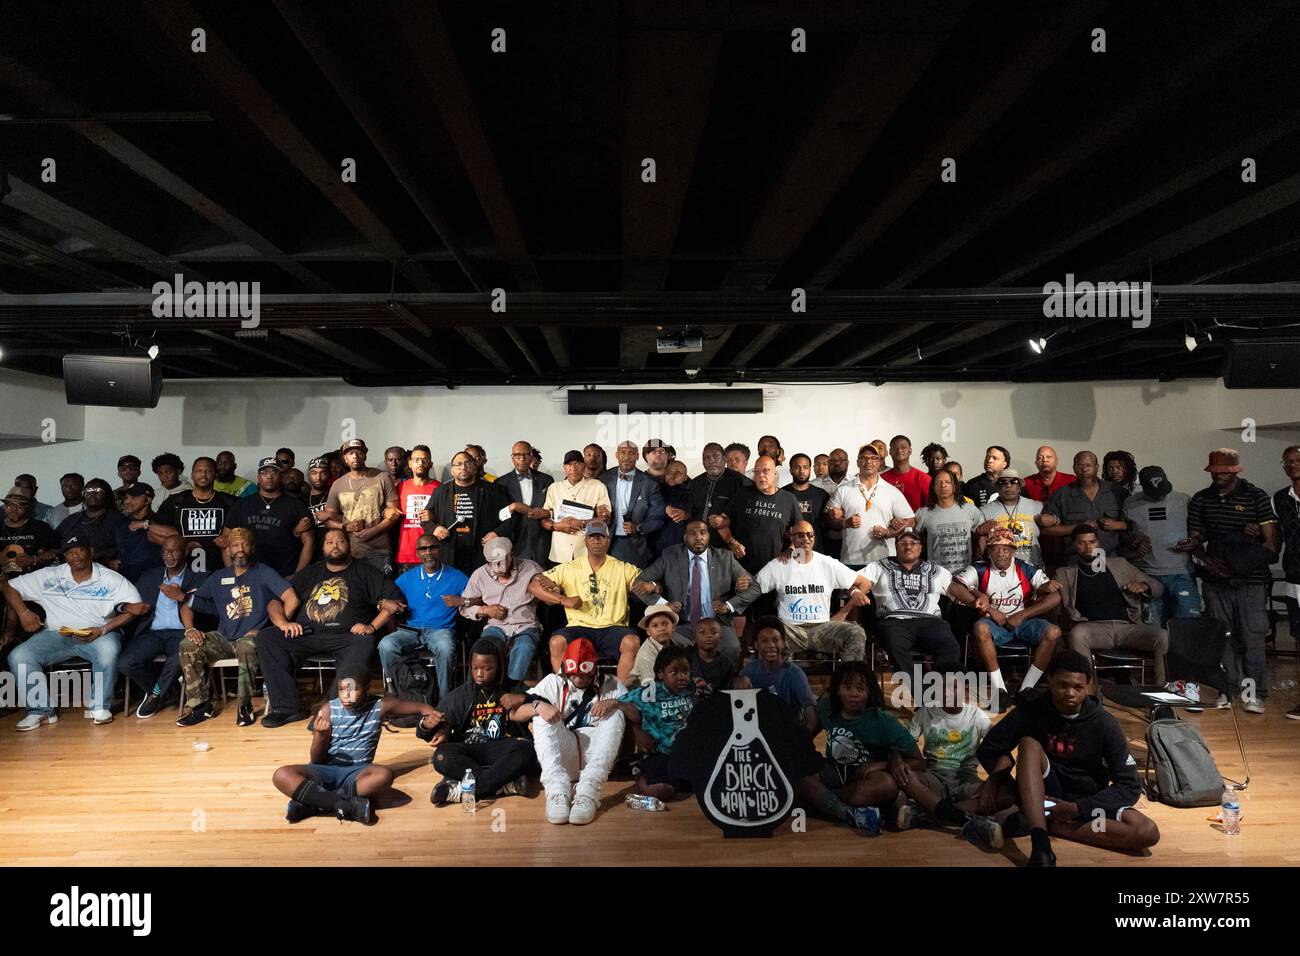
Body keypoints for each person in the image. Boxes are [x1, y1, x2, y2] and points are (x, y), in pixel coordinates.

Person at [977, 651, 1159, 867]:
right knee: (1029, 743)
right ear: (1050, 680)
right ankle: (1041, 844)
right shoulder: (1032, 710)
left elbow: (1129, 786)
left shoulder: (1104, 723)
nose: (1070, 693)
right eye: (1063, 685)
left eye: (1078, 687)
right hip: (1044, 794)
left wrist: (1077, 808)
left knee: (1146, 831)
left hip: (1087, 804)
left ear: (1089, 686)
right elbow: (989, 749)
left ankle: (1050, 824)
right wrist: (1000, 782)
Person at [256, 528, 401, 728]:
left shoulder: (366, 572)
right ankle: (288, 708)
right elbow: (274, 603)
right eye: (329, 542)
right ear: (322, 547)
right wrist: (283, 623)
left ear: (348, 545)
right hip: (307, 633)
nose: (335, 546)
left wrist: (371, 626)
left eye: (340, 541)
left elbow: (395, 603)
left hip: (347, 636)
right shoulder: (309, 573)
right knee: (267, 638)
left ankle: (332, 710)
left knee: (364, 641)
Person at [3, 535, 145, 729]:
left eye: (80, 550)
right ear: (64, 556)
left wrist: (103, 629)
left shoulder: (111, 578)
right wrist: (23, 612)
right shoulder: (50, 575)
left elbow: (134, 609)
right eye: (69, 552)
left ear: (91, 552)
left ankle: (99, 707)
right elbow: (9, 586)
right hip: (58, 634)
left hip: (98, 634)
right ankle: (41, 711)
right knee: (19, 656)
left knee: (107, 652)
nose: (75, 556)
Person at [275, 663, 442, 824]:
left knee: (384, 775)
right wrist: (321, 736)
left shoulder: (380, 706)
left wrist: (436, 722)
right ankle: (344, 805)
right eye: (341, 689)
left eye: (353, 689)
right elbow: (316, 760)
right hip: (325, 771)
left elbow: (423, 708)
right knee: (281, 774)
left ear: (367, 688)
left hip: (357, 773)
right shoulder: (329, 710)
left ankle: (314, 803)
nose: (345, 695)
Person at [1182, 448, 1280, 714]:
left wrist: (1236, 564)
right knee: (1222, 638)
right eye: (1215, 471)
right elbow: (1195, 539)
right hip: (1215, 580)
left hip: (1250, 580)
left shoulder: (1256, 497)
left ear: (1236, 471)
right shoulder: (1201, 499)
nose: (1219, 475)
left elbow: (1271, 545)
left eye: (1225, 471)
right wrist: (1206, 559)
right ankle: (1227, 689)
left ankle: (1254, 693)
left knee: (1253, 637)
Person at [177, 527, 297, 727]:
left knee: (245, 646)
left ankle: (245, 707)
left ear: (251, 548)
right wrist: (190, 629)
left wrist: (272, 630)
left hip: (253, 637)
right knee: (187, 645)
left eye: (244, 544)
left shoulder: (263, 572)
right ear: (228, 551)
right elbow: (188, 604)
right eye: (235, 545)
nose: (240, 548)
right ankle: (200, 707)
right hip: (224, 638)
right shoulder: (218, 577)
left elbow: (291, 598)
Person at [860, 530, 989, 698]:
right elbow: (860, 580)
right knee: (896, 647)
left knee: (950, 647)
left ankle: (934, 691)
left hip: (930, 621)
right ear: (896, 547)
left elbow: (954, 588)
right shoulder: (878, 566)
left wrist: (973, 601)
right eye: (903, 543)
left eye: (913, 543)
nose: (908, 546)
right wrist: (858, 591)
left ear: (921, 548)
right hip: (894, 621)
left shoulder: (935, 570)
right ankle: (924, 697)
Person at [511, 637, 625, 825]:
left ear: (594, 670)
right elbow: (515, 714)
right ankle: (557, 792)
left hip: (597, 755)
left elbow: (637, 713)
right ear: (565, 670)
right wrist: (538, 706)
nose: (579, 679)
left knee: (617, 712)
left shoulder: (611, 683)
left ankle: (588, 794)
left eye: (584, 674)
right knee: (541, 714)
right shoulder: (552, 682)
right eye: (574, 674)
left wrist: (615, 702)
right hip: (565, 753)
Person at [801, 660, 922, 835]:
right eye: (847, 687)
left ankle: (823, 801)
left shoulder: (884, 722)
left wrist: (882, 765)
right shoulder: (826, 707)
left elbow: (919, 761)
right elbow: (808, 734)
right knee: (801, 775)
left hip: (867, 778)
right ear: (837, 689)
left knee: (887, 784)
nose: (853, 694)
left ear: (869, 692)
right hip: (834, 770)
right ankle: (849, 812)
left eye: (860, 689)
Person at [729, 521, 870, 662]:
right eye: (801, 535)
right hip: (790, 629)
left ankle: (847, 678)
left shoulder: (827, 563)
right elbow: (754, 588)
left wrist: (843, 612)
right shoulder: (779, 564)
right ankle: (778, 679)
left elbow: (865, 582)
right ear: (792, 538)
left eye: (810, 535)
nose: (806, 539)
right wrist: (737, 590)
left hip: (822, 628)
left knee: (856, 632)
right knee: (769, 631)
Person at [417, 638, 534, 804]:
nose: (479, 674)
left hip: (501, 748)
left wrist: (524, 698)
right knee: (442, 756)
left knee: (526, 750)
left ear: (499, 666)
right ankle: (504, 785)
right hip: (470, 750)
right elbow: (428, 730)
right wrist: (427, 725)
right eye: (475, 668)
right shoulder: (460, 695)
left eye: (487, 668)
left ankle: (464, 791)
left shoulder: (514, 688)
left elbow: (545, 704)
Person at [1047, 526, 1168, 686]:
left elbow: (1158, 587)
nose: (1088, 547)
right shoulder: (1065, 573)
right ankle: (1087, 692)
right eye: (1082, 543)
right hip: (1094, 629)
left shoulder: (1120, 564)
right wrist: (1045, 586)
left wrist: (1144, 585)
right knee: (1077, 634)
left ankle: (1163, 693)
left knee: (1162, 635)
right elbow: (1050, 596)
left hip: (1128, 627)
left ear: (1099, 543)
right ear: (1075, 545)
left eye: (1092, 542)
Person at [895, 671, 1002, 849]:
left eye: (953, 687)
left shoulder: (977, 716)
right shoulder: (925, 712)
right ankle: (970, 818)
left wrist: (993, 783)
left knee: (1005, 794)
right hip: (934, 777)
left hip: (966, 780)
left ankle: (928, 814)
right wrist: (899, 762)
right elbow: (902, 743)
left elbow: (999, 749)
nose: (946, 692)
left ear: (965, 689)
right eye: (941, 687)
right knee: (907, 777)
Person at [959, 528, 1061, 710]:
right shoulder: (979, 568)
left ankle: (1026, 689)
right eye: (995, 549)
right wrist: (982, 599)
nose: (1000, 553)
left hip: (1023, 622)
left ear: (1013, 551)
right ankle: (1001, 692)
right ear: (989, 551)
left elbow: (1055, 597)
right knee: (980, 628)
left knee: (1053, 632)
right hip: (994, 623)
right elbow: (955, 586)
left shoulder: (1025, 568)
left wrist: (1022, 614)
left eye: (1005, 549)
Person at [530, 522, 642, 687]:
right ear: (586, 540)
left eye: (601, 537)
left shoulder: (623, 568)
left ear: (608, 540)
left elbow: (644, 585)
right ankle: (565, 691)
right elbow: (533, 585)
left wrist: (654, 587)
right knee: (556, 642)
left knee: (632, 641)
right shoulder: (569, 567)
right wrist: (562, 599)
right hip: (579, 627)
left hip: (613, 627)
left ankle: (621, 693)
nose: (596, 541)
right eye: (592, 537)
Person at [631, 518, 750, 664]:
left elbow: (753, 586)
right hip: (681, 625)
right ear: (685, 537)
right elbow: (638, 584)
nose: (698, 537)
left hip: (716, 624)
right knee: (665, 648)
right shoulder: (670, 555)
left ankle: (723, 685)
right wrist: (665, 605)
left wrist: (730, 604)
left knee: (732, 647)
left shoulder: (725, 557)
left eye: (702, 532)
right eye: (693, 533)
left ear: (708, 536)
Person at [118, 534, 207, 719]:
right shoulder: (150, 576)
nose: (169, 555)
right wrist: (125, 607)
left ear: (185, 553)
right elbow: (125, 599)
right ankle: (164, 692)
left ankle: (156, 695)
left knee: (178, 659)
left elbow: (207, 606)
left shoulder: (199, 577)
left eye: (174, 551)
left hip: (182, 633)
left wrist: (181, 595)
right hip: (153, 633)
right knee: (125, 663)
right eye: (166, 551)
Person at [378, 534, 470, 701]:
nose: (428, 552)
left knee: (445, 647)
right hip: (410, 630)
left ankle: (444, 699)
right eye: (423, 549)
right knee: (386, 644)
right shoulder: (407, 578)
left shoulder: (456, 576)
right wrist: (388, 605)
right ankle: (395, 694)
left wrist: (463, 600)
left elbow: (479, 596)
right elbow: (388, 599)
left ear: (439, 550)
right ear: (417, 553)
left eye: (432, 547)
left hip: (440, 630)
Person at [459, 537, 544, 688]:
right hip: (496, 626)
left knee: (524, 647)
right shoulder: (480, 575)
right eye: (493, 563)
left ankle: (510, 689)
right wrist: (485, 610)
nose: (498, 567)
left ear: (511, 554)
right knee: (484, 647)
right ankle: (476, 691)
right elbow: (464, 606)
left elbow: (549, 593)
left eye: (502, 561)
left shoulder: (531, 568)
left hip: (525, 625)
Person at [617, 644, 697, 802]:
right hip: (660, 753)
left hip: (688, 754)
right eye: (674, 672)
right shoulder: (650, 692)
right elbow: (621, 704)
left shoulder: (693, 688)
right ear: (661, 674)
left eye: (685, 671)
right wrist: (636, 729)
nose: (681, 677)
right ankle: (639, 774)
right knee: (662, 792)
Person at [1123, 465, 1199, 626]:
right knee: (1152, 629)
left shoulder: (1184, 500)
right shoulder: (1130, 504)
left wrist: (1193, 541)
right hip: (1147, 575)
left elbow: (1198, 530)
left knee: (1188, 628)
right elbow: (1123, 534)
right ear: (1142, 486)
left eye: (1162, 490)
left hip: (1181, 573)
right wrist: (1135, 542)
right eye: (1154, 492)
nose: (1159, 496)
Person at [424, 450, 513, 576]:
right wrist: (434, 528)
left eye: (467, 463)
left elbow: (512, 518)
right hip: (450, 554)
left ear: (475, 468)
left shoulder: (494, 491)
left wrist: (497, 532)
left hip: (483, 554)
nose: (463, 467)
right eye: (458, 464)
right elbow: (426, 518)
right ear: (452, 471)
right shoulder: (440, 492)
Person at [222, 458, 314, 577]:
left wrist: (297, 575)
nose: (269, 477)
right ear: (258, 477)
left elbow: (309, 543)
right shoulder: (242, 505)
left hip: (284, 575)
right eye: (264, 473)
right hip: (247, 574)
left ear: (281, 477)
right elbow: (225, 542)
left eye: (274, 472)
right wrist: (232, 574)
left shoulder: (295, 505)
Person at [319, 439, 400, 576]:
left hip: (379, 550)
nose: (355, 456)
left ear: (365, 455)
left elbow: (394, 513)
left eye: (358, 452)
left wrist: (373, 531)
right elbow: (327, 519)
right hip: (349, 551)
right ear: (345, 458)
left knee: (382, 593)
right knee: (354, 594)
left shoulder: (382, 477)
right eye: (351, 453)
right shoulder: (338, 484)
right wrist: (346, 527)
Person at [826, 445, 913, 568]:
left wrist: (888, 532)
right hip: (851, 560)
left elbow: (911, 521)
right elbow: (829, 520)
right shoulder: (843, 490)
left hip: (885, 560)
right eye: (864, 458)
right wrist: (845, 523)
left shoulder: (891, 491)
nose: (869, 462)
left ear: (879, 462)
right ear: (857, 462)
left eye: (873, 458)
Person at [717, 455, 800, 581]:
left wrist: (791, 550)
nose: (761, 475)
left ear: (775, 473)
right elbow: (721, 524)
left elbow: (802, 531)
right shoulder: (742, 494)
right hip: (742, 570)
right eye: (757, 471)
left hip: (775, 570)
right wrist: (732, 542)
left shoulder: (789, 499)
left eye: (766, 470)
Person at [149, 458, 236, 571]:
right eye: (198, 471)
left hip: (219, 569)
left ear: (215, 475)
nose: (203, 475)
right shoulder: (176, 501)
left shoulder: (229, 502)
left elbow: (245, 534)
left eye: (208, 471)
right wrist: (180, 546)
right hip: (183, 571)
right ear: (192, 475)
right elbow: (151, 534)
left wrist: (230, 537)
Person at [1042, 450, 1128, 557]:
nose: (1085, 469)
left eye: (1089, 465)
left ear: (1097, 467)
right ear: (1074, 468)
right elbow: (1046, 530)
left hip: (1112, 559)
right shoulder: (1062, 495)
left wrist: (1118, 525)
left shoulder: (1117, 492)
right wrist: (1078, 527)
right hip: (1076, 561)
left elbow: (1135, 524)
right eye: (1080, 465)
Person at [742, 618, 817, 732]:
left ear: (783, 643)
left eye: (775, 640)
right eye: (764, 641)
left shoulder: (794, 673)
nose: (771, 645)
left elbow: (809, 708)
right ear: (756, 645)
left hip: (788, 730)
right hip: (758, 730)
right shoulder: (749, 671)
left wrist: (804, 738)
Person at [600, 440, 666, 565]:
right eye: (622, 453)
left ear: (637, 456)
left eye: (631, 453)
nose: (626, 457)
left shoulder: (650, 484)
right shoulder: (604, 478)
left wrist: (639, 528)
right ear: (616, 455)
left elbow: (658, 517)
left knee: (634, 583)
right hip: (607, 543)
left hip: (636, 545)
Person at [540, 450, 611, 564]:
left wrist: (582, 523)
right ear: (564, 467)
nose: (573, 467)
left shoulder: (597, 486)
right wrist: (557, 526)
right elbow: (544, 519)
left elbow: (605, 519)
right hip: (559, 552)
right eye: (569, 464)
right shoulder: (554, 488)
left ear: (584, 466)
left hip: (586, 552)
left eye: (577, 463)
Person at [912, 469, 981, 574]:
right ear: (933, 488)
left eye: (947, 482)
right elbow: (910, 537)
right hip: (936, 575)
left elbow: (982, 532)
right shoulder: (923, 513)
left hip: (966, 575)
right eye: (939, 482)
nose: (943, 485)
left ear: (955, 486)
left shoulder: (971, 510)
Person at [496, 440, 552, 566]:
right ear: (512, 458)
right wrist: (513, 507)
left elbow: (555, 509)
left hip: (541, 542)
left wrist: (545, 513)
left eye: (526, 455)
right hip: (514, 542)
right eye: (517, 455)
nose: (522, 458)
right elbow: (497, 516)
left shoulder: (546, 480)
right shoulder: (501, 483)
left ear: (531, 457)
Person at [975, 468, 1044, 567]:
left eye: (1013, 481)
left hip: (1033, 569)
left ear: (1019, 487)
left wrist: (1055, 520)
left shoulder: (1037, 506)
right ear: (997, 488)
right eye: (1003, 482)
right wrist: (979, 531)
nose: (1008, 485)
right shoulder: (985, 511)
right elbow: (979, 540)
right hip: (999, 572)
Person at [1276, 447, 1300, 719]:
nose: (1293, 465)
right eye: (1288, 462)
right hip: (1295, 580)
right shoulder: (1280, 499)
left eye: (1298, 460)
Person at [688, 442, 749, 550]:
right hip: (699, 545)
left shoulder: (740, 482)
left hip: (729, 547)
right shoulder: (695, 483)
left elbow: (746, 515)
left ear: (725, 459)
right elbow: (690, 512)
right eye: (707, 458)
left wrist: (726, 522)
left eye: (716, 456)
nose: (711, 460)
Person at [54, 479, 128, 564]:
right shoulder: (72, 519)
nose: (93, 494)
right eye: (89, 491)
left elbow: (124, 547)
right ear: (83, 495)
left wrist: (102, 556)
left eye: (98, 491)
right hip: (68, 568)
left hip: (103, 568)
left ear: (106, 495)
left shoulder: (117, 520)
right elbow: (54, 540)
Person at [393, 444, 441, 571]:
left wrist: (434, 517)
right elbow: (390, 513)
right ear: (410, 464)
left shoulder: (441, 489)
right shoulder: (400, 487)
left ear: (430, 464)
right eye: (416, 460)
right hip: (406, 555)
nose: (420, 463)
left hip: (432, 554)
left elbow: (448, 517)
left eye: (425, 460)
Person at [0, 485, 58, 573]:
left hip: (32, 581)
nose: (14, 509)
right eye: (10, 505)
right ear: (4, 506)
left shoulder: (41, 528)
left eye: (19, 506)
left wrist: (35, 559)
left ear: (28, 507)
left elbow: (58, 552)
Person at [783, 453, 830, 554]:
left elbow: (827, 526)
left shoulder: (821, 495)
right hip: (790, 552)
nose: (802, 471)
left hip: (816, 552)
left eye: (805, 467)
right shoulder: (781, 494)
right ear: (791, 470)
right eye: (797, 467)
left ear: (810, 469)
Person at [116, 482, 163, 583]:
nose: (127, 501)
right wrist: (109, 561)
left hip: (153, 580)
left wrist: (146, 524)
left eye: (133, 497)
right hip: (126, 582)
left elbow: (176, 537)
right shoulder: (120, 524)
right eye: (126, 498)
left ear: (148, 499)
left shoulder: (161, 521)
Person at [627, 605, 681, 690]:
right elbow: (651, 686)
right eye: (655, 626)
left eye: (665, 624)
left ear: (673, 627)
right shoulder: (646, 654)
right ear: (648, 631)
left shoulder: (676, 646)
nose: (661, 629)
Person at [687, 617, 744, 696]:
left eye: (713, 632)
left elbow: (728, 692)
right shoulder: (687, 660)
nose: (708, 636)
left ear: (720, 637)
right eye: (702, 632)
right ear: (695, 638)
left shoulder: (726, 664)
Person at [650, 459, 693, 557]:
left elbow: (699, 513)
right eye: (669, 472)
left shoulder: (694, 492)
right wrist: (664, 508)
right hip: (656, 547)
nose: (672, 476)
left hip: (684, 547)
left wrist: (687, 515)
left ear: (685, 477)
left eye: (678, 473)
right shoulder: (655, 490)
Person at [882, 435, 932, 512]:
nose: (899, 450)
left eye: (903, 447)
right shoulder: (881, 479)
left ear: (910, 451)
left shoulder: (923, 478)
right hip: (887, 523)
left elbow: (931, 509)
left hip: (916, 523)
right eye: (895, 448)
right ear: (890, 452)